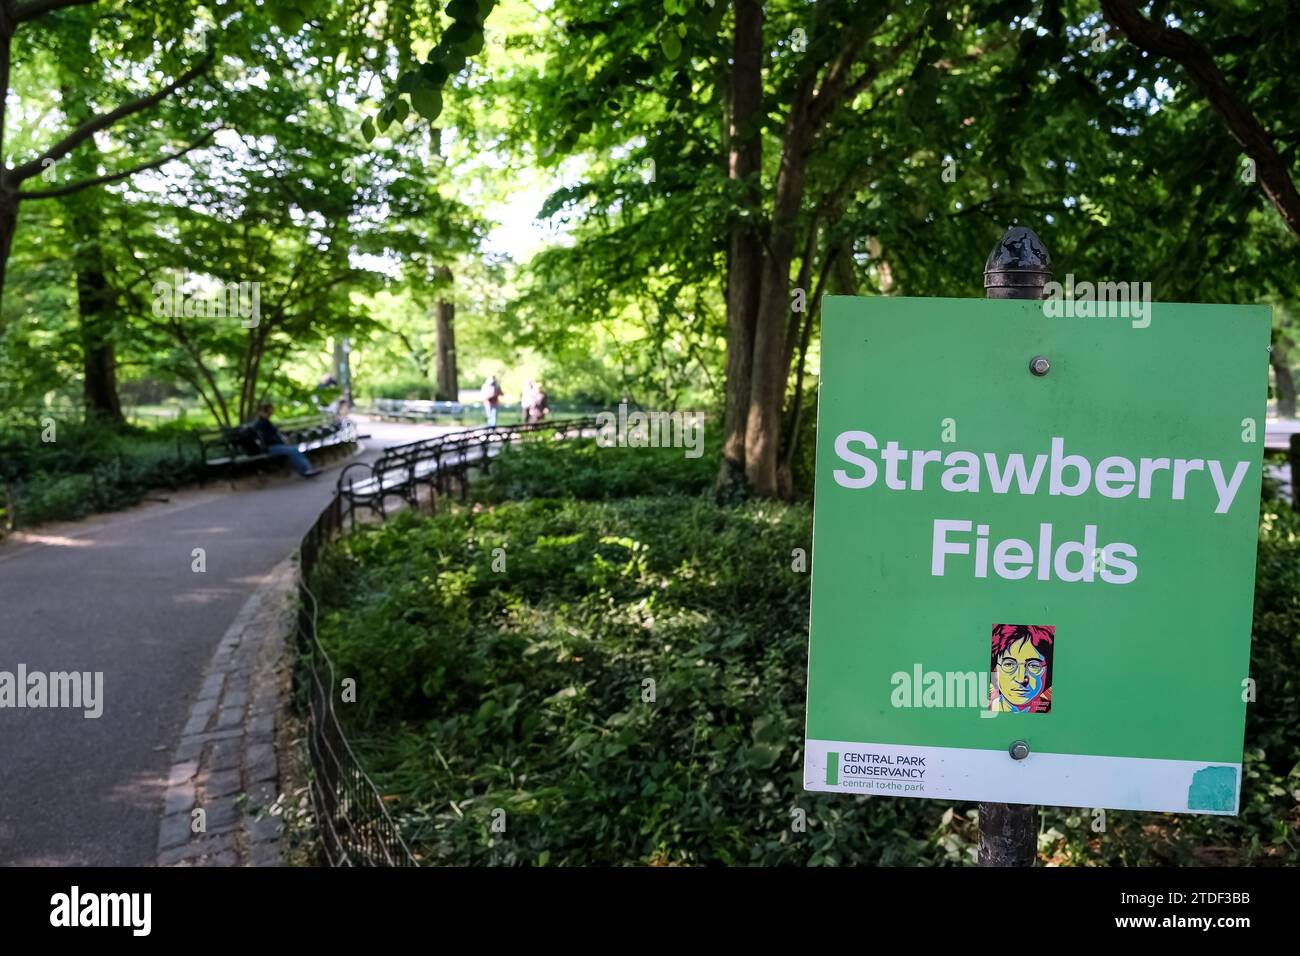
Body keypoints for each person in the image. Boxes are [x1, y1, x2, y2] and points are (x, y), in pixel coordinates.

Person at [252, 403, 321, 478]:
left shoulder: (267, 422)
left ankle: (307, 469)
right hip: (270, 448)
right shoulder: (260, 424)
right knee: (292, 450)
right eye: (269, 412)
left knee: (295, 448)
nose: (271, 414)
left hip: (277, 446)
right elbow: (266, 439)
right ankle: (306, 470)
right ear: (264, 412)